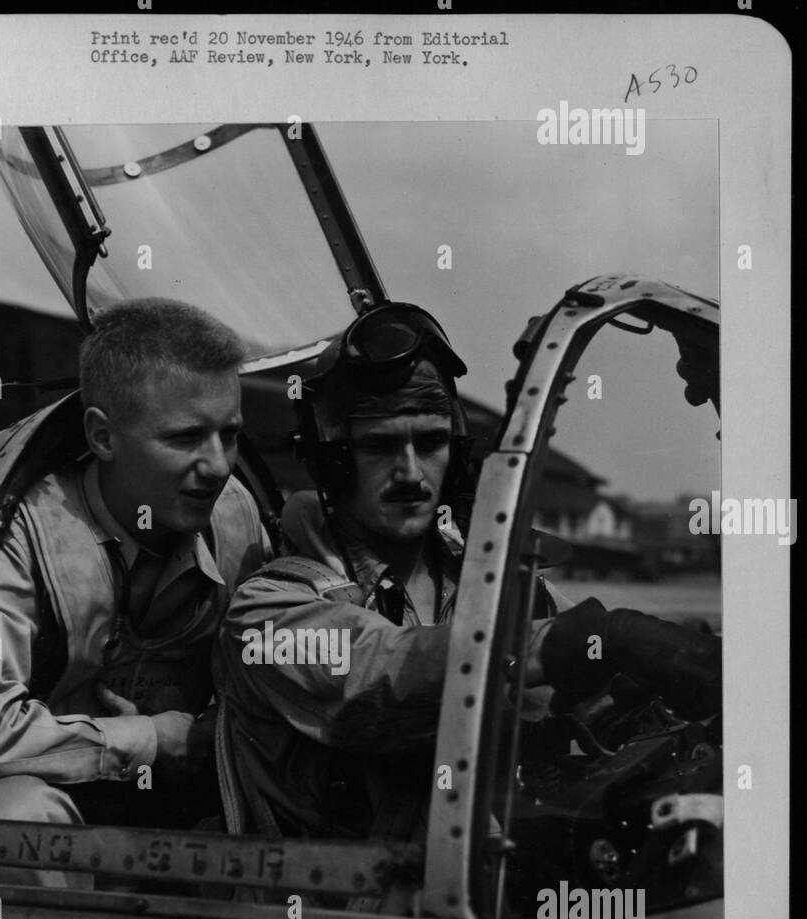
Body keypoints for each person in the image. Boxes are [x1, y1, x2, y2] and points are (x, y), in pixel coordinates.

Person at [213, 300, 721, 843]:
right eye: (380, 446)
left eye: (429, 442)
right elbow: (382, 672)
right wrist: (585, 640)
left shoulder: (489, 584)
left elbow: (593, 689)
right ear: (333, 461)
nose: (410, 473)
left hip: (488, 902)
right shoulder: (266, 615)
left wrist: (665, 671)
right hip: (345, 913)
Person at [0, 298, 272, 882]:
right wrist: (152, 740)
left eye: (231, 434)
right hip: (56, 812)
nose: (219, 466)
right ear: (103, 436)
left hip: (184, 814)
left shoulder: (236, 519)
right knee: (7, 819)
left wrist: (207, 734)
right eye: (188, 437)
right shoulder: (25, 531)